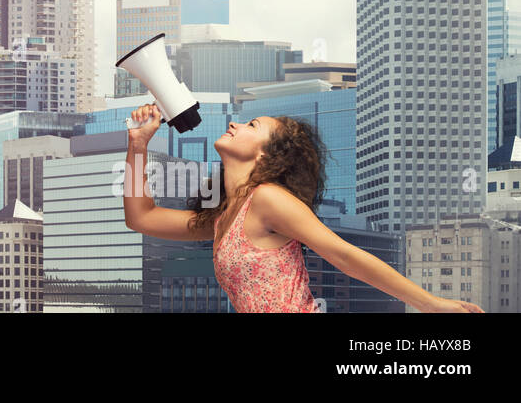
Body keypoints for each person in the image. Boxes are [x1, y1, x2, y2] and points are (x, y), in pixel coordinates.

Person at [121, 103, 483, 313]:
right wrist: (138, 144)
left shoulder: (267, 199)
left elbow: (343, 255)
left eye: (251, 125)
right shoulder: (225, 217)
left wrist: (432, 305)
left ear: (266, 154)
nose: (233, 123)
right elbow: (142, 217)